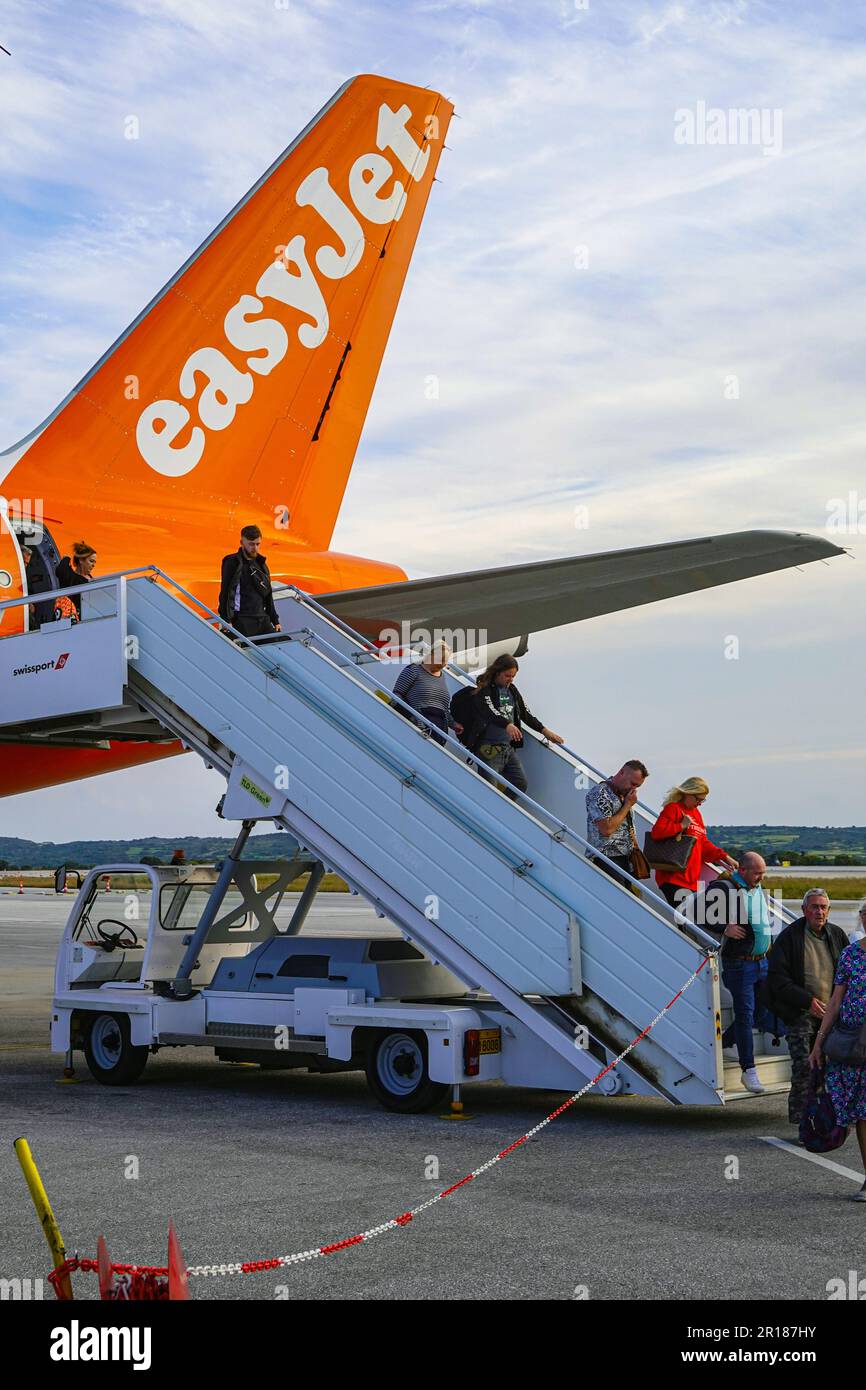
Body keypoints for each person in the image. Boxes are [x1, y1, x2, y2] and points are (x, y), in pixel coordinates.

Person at [766, 887, 849, 1127]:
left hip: (831, 1016)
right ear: (804, 910)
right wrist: (807, 1001)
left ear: (829, 910)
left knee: (831, 1070)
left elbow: (847, 974)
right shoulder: (789, 937)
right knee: (804, 1069)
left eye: (823, 907)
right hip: (801, 1014)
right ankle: (803, 1124)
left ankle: (828, 1122)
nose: (819, 912)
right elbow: (777, 980)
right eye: (814, 907)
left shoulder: (837, 935)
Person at [704, 852, 784, 1094]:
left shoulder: (756, 887)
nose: (761, 877)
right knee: (745, 1013)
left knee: (761, 1012)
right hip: (740, 964)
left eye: (763, 873)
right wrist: (724, 927)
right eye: (758, 873)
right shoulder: (724, 887)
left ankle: (725, 1042)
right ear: (744, 870)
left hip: (762, 962)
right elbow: (704, 915)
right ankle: (748, 1070)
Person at [809, 933, 866, 1199]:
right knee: (862, 1113)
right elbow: (835, 1001)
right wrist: (819, 1042)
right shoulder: (850, 955)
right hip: (853, 1045)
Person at [470, 654, 563, 797]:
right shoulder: (485, 689)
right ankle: (491, 812)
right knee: (489, 789)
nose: (510, 679)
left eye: (513, 676)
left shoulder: (512, 690)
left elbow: (525, 713)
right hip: (488, 748)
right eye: (508, 675)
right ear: (498, 672)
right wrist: (507, 724)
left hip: (508, 748)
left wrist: (544, 731)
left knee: (520, 784)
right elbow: (490, 711)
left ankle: (500, 809)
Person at [648, 777, 737, 910]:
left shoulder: (696, 814)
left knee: (693, 920)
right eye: (698, 799)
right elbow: (657, 832)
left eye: (703, 800)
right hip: (673, 878)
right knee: (688, 919)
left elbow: (702, 843)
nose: (700, 803)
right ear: (688, 793)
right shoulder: (673, 809)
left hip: (691, 881)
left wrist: (724, 857)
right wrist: (681, 826)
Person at [585, 761, 650, 884]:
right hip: (606, 857)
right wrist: (627, 805)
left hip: (624, 859)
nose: (634, 789)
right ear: (621, 772)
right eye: (633, 783)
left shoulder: (623, 795)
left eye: (637, 786)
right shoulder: (600, 793)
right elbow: (606, 829)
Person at [218, 525, 281, 638]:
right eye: (251, 544)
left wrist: (274, 619)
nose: (255, 548)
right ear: (242, 542)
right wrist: (225, 619)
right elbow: (225, 591)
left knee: (280, 643)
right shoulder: (232, 562)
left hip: (262, 618)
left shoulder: (262, 564)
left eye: (258, 544)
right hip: (242, 618)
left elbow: (268, 594)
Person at [393, 641, 460, 743]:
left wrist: (453, 724)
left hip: (439, 730)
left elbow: (443, 708)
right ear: (431, 655)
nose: (443, 664)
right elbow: (397, 695)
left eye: (445, 661)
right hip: (419, 726)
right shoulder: (414, 670)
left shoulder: (442, 677)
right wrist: (413, 718)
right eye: (441, 660)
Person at [54, 541, 97, 622]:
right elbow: (60, 570)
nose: (93, 565)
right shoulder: (70, 576)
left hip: (87, 618)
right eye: (91, 561)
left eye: (95, 562)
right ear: (81, 560)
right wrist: (67, 558)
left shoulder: (91, 579)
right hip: (70, 619)